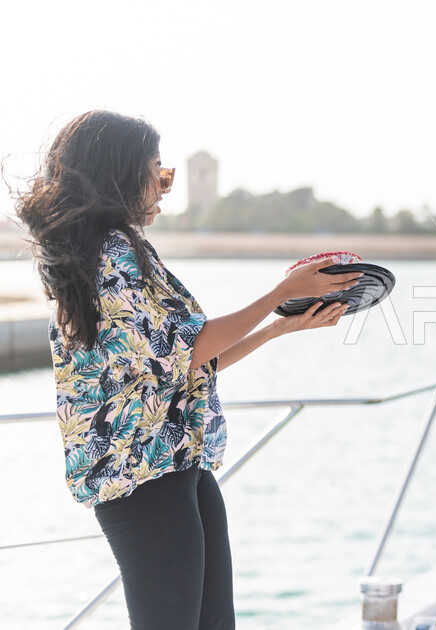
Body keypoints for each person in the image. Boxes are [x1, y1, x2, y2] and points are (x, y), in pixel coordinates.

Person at [16, 110, 360, 629]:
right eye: (159, 174)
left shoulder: (122, 251)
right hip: (143, 478)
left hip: (177, 468)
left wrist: (278, 327)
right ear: (119, 175)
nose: (164, 188)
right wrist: (280, 294)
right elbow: (187, 347)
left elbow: (187, 363)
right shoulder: (107, 257)